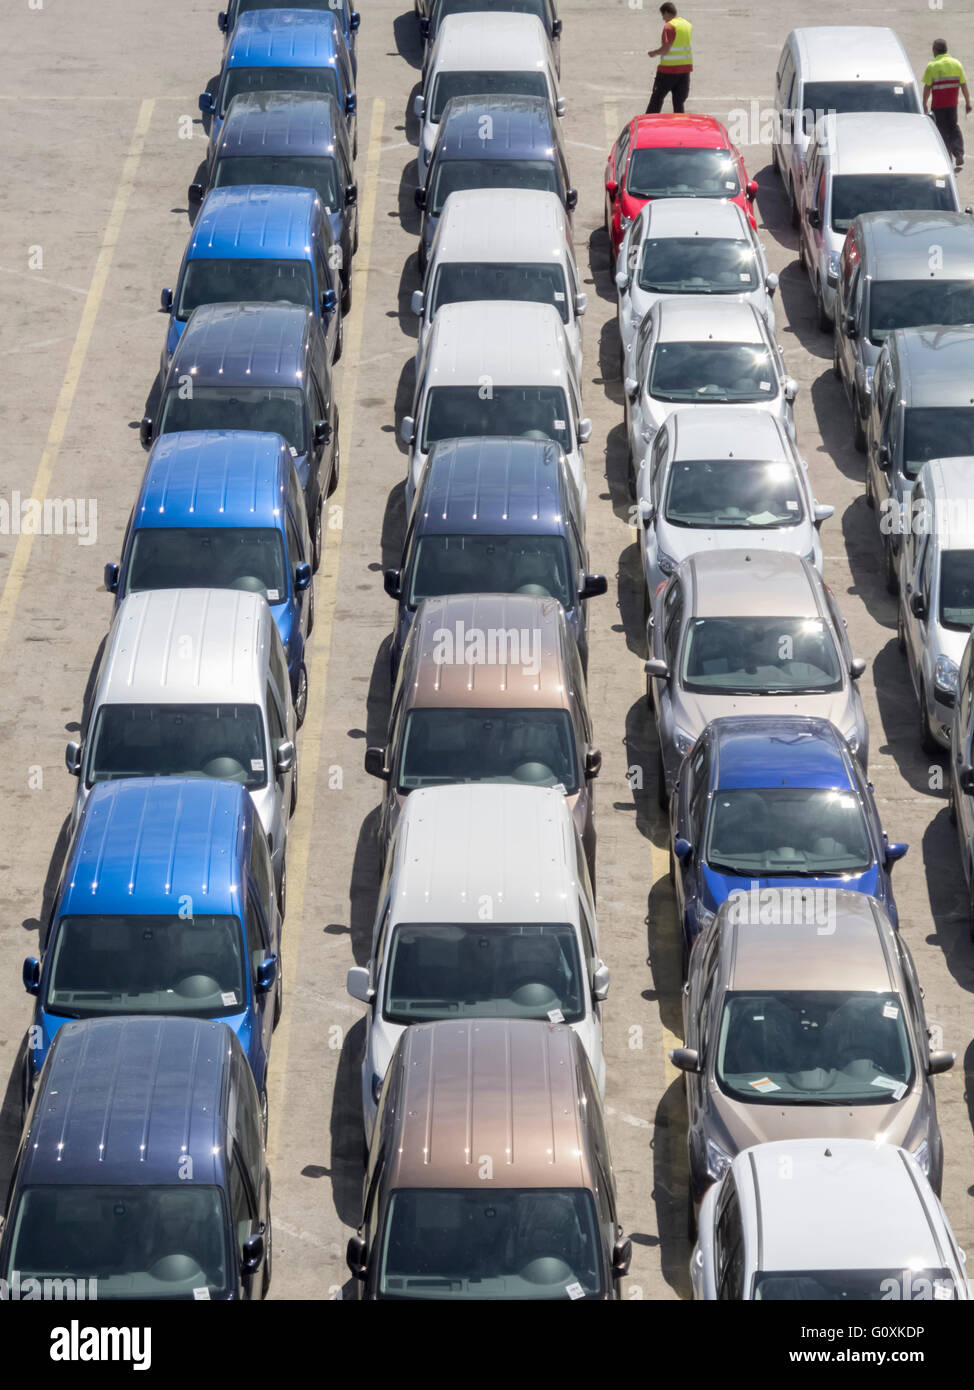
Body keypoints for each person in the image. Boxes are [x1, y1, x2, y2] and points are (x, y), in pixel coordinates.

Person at [922, 38, 971, 172]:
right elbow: (964, 85)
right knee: (953, 128)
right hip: (952, 105)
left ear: (934, 51)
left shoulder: (932, 66)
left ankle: (946, 157)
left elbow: (927, 87)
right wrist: (968, 102)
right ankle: (959, 153)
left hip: (938, 106)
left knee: (941, 131)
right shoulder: (956, 64)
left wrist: (924, 103)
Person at [646, 3, 693, 114]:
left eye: (663, 15)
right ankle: (680, 126)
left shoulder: (669, 26)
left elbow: (666, 48)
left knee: (656, 100)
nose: (663, 19)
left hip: (668, 70)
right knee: (679, 102)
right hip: (685, 70)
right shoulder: (687, 25)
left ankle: (648, 124)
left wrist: (655, 53)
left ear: (667, 13)